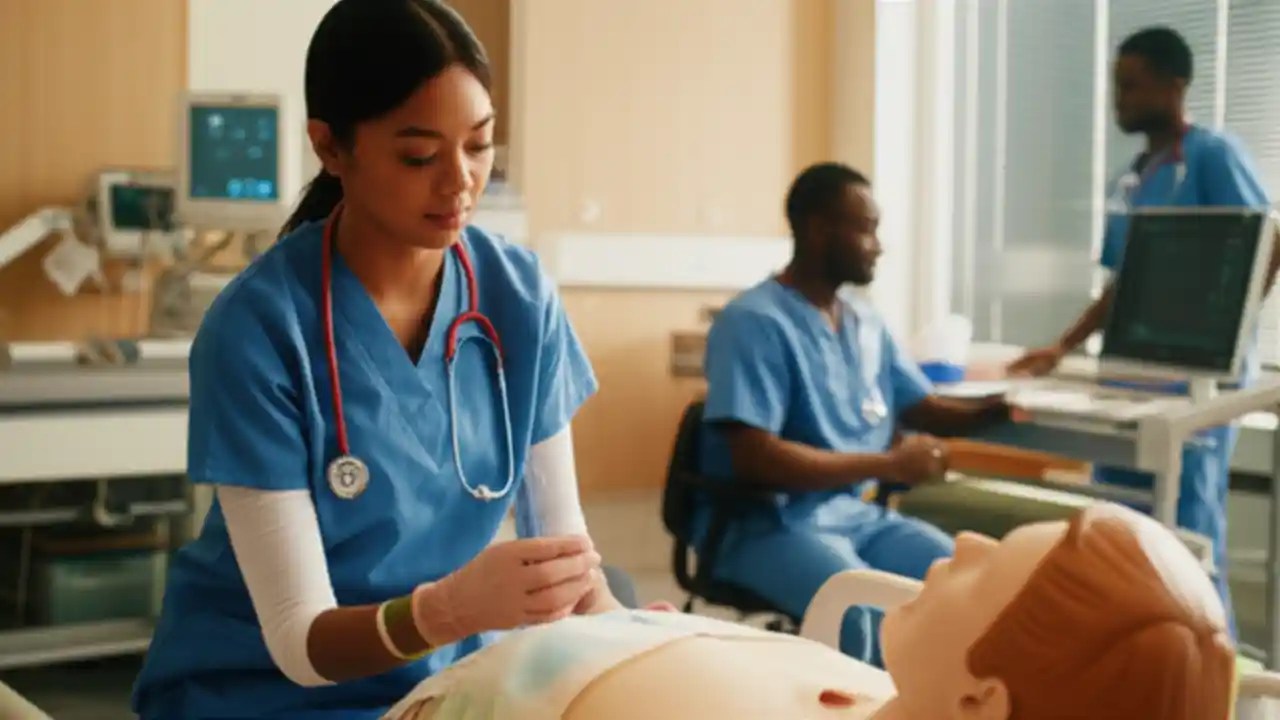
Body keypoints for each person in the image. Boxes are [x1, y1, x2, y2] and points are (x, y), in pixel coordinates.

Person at [130, 2, 625, 717]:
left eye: (479, 145)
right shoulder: (259, 328)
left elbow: (565, 560)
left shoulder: (518, 300)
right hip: (262, 693)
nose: (459, 182)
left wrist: (635, 639)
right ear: (331, 148)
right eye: (419, 156)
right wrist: (450, 610)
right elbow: (299, 643)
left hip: (442, 684)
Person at [381, 504, 1234, 720]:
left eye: (990, 569)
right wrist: (637, 626)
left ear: (980, 704)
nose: (968, 542)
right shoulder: (899, 691)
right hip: (612, 635)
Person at [1008, 26, 1275, 634]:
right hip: (1135, 374)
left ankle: (1211, 667)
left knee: (1185, 539)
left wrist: (1223, 329)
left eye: (1131, 85)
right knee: (1121, 534)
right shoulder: (1131, 179)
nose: (1118, 99)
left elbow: (1268, 239)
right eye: (1116, 85)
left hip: (1196, 383)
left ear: (1174, 85)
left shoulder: (1211, 157)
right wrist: (1063, 347)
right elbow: (1120, 285)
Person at [697, 162, 1011, 664]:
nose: (878, 246)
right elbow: (756, 458)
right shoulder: (754, 322)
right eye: (867, 229)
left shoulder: (865, 322)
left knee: (970, 580)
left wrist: (1007, 405)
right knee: (859, 612)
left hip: (856, 515)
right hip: (769, 524)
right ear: (819, 230)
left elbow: (923, 407)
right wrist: (890, 465)